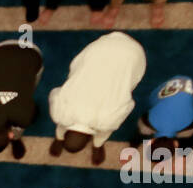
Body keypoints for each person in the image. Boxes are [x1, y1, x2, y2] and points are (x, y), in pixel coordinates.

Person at [48, 32, 146, 165]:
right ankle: (64, 139)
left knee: (106, 128)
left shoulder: (107, 121)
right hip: (101, 47)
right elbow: (56, 93)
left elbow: (129, 105)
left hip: (131, 55)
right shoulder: (61, 114)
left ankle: (97, 145)